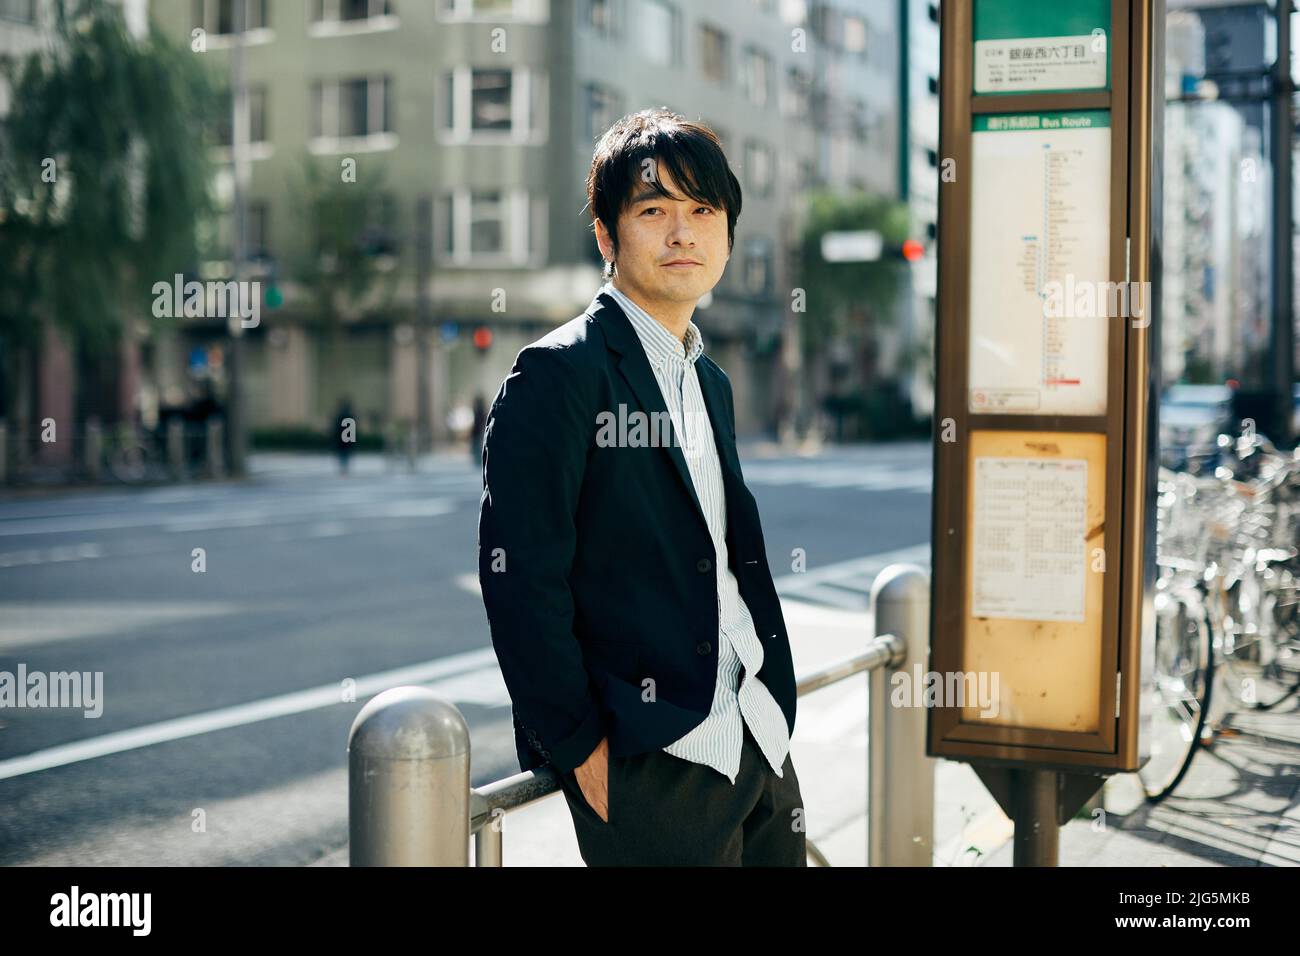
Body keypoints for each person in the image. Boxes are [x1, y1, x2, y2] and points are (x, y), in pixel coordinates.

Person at [478, 109, 805, 866]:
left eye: (702, 211)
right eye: (653, 211)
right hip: (653, 761)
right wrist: (576, 744)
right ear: (607, 236)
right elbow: (522, 577)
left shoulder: (709, 379)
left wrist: (772, 707)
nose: (681, 233)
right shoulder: (557, 374)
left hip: (756, 734)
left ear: (727, 232)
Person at [334, 396, 355, 475]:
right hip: (347, 438)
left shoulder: (340, 415)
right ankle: (345, 468)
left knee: (343, 453)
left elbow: (337, 427)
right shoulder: (349, 415)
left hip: (342, 438)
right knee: (345, 453)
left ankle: (343, 468)